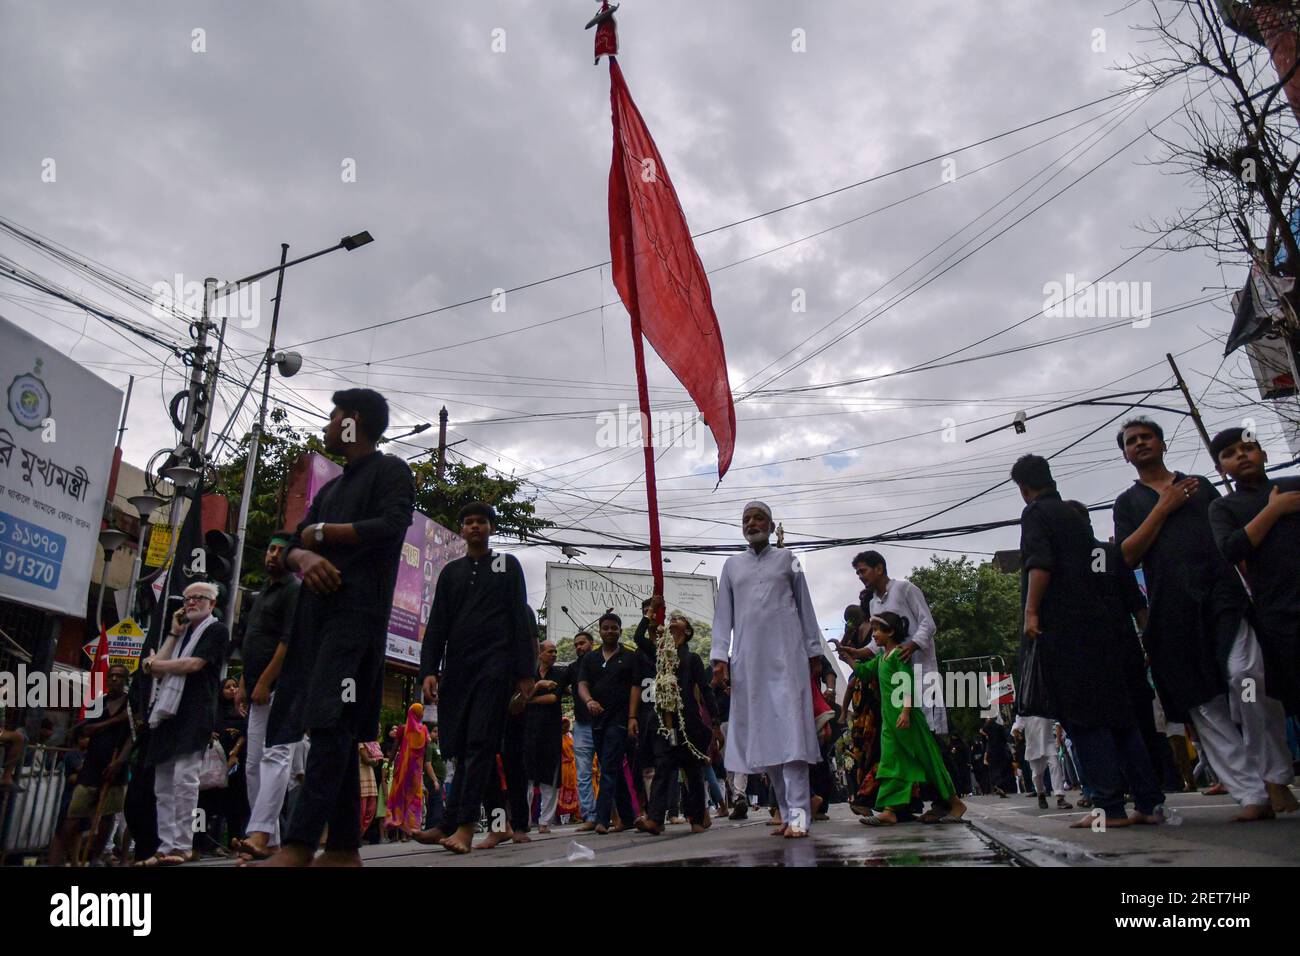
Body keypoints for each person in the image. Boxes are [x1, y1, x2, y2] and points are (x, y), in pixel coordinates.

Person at [260, 387, 416, 867]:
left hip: (357, 617)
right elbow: (285, 546)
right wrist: (304, 554)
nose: (327, 427)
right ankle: (345, 847)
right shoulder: (328, 491)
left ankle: (299, 844)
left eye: (333, 418)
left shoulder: (391, 471)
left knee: (332, 720)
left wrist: (323, 535)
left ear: (353, 422)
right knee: (336, 727)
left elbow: (393, 526)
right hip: (314, 622)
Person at [1112, 418, 1272, 821]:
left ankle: (1272, 772)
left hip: (1223, 596)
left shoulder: (1199, 485)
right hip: (1172, 611)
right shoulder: (1127, 503)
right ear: (1126, 455)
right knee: (1204, 703)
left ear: (1163, 444)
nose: (1141, 443)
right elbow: (1127, 556)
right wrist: (1163, 508)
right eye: (1132, 441)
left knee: (1245, 677)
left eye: (1147, 436)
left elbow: (1230, 534)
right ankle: (1251, 793)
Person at [1013, 453, 1164, 828]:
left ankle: (1108, 807)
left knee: (1084, 719)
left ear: (1023, 488)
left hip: (1067, 637)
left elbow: (1040, 563)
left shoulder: (1037, 514)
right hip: (1108, 640)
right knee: (1121, 719)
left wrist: (1031, 613)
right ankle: (1148, 802)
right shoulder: (1085, 532)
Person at [416, 501, 536, 854]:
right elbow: (436, 626)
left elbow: (519, 620)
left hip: (495, 668)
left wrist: (525, 674)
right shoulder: (451, 573)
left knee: (480, 744)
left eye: (481, 521)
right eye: (468, 522)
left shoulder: (506, 565)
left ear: (491, 528)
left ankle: (463, 826)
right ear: (461, 530)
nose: (474, 527)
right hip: (458, 671)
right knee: (459, 747)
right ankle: (491, 825)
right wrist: (428, 670)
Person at [711, 501, 822, 838]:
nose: (752, 523)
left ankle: (800, 815)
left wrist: (814, 651)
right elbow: (723, 616)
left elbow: (806, 607)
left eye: (759, 518)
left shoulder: (789, 561)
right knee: (765, 740)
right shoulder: (731, 566)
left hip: (788, 660)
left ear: (772, 527)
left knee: (792, 735)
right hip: (750, 663)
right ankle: (787, 814)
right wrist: (720, 657)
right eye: (746, 519)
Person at [1206, 428, 1299, 814]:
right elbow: (1231, 549)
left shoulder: (1293, 484)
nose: (1241, 456)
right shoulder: (1224, 508)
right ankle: (1273, 780)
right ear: (1221, 466)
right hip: (1277, 615)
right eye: (1230, 452)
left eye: (1248, 448)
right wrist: (1273, 511)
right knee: (1256, 688)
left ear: (1262, 453)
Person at [847, 612, 965, 826]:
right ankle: (889, 810)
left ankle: (955, 802)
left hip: (907, 719)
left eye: (877, 630)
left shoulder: (898, 655)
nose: (873, 634)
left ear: (890, 632)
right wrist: (847, 657)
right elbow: (863, 673)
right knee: (890, 763)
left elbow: (907, 683)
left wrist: (906, 711)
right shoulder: (880, 659)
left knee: (929, 760)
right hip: (890, 723)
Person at [141, 580, 230, 866]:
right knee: (163, 782)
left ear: (212, 604)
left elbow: (192, 665)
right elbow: (159, 671)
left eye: (199, 598)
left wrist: (155, 664)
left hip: (195, 712)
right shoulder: (181, 636)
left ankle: (182, 845)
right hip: (168, 712)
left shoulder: (216, 630)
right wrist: (172, 632)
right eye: (188, 599)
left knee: (184, 779)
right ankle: (165, 846)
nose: (191, 603)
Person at [231, 531, 301, 861]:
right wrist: (246, 682)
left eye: (280, 550)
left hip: (283, 686)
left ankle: (258, 833)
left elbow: (288, 643)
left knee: (276, 757)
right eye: (270, 548)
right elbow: (251, 640)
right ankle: (267, 837)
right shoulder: (261, 594)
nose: (272, 554)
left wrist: (265, 681)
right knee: (253, 764)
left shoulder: (294, 592)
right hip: (257, 688)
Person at [635, 612, 718, 835]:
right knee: (663, 767)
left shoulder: (692, 659)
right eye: (671, 617)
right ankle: (655, 819)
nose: (673, 619)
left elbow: (706, 690)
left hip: (687, 722)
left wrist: (716, 722)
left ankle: (698, 818)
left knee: (692, 771)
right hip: (663, 721)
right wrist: (648, 618)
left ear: (688, 630)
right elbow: (638, 639)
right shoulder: (660, 654)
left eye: (679, 618)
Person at [54, 664, 134, 865]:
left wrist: (119, 761)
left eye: (119, 676)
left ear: (126, 681)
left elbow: (132, 737)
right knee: (73, 813)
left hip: (116, 766)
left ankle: (96, 857)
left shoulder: (131, 705)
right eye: (111, 676)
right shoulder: (99, 703)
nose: (114, 679)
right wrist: (111, 722)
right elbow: (86, 730)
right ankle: (56, 860)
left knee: (107, 815)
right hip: (92, 765)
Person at [576, 611, 643, 834]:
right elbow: (582, 685)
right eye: (606, 628)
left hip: (620, 720)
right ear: (600, 631)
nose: (610, 631)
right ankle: (628, 817)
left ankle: (602, 819)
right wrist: (589, 701)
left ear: (620, 631)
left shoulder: (630, 656)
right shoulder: (590, 658)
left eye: (614, 628)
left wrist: (633, 717)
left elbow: (636, 688)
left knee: (608, 766)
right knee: (609, 766)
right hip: (597, 721)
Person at [197, 677, 248, 855]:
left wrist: (235, 749)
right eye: (227, 687)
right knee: (203, 805)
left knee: (234, 805)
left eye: (235, 686)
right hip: (212, 765)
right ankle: (198, 843)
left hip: (234, 764)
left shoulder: (242, 711)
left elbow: (247, 732)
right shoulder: (213, 711)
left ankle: (234, 842)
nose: (232, 690)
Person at [524, 641, 567, 834]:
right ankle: (523, 821)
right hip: (528, 732)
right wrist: (539, 685)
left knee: (550, 778)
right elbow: (520, 697)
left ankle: (544, 822)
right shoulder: (528, 673)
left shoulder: (559, 674)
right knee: (527, 778)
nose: (555, 654)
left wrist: (529, 700)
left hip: (550, 733)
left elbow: (553, 698)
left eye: (556, 651)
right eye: (551, 651)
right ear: (540, 654)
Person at [569, 631, 598, 830]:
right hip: (581, 725)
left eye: (583, 643)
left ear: (592, 643)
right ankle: (589, 815)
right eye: (576, 644)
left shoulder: (601, 663)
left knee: (609, 771)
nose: (579, 647)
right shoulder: (571, 668)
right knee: (583, 774)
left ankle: (610, 813)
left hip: (603, 723)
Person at [385, 702, 429, 839]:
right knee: (414, 798)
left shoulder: (403, 728)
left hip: (402, 770)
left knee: (401, 798)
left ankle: (402, 833)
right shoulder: (424, 730)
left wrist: (388, 766)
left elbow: (395, 749)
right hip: (416, 772)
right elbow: (425, 752)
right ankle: (412, 831)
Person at [1011, 715, 1071, 810]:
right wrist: (1016, 731)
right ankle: (1040, 793)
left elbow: (1055, 719)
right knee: (1037, 773)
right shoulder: (1025, 708)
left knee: (1055, 766)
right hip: (1033, 744)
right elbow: (1018, 724)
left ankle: (1060, 797)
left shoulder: (1045, 703)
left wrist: (1059, 736)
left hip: (1048, 742)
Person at [558, 718, 580, 823]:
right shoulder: (557, 738)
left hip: (572, 767)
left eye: (567, 725)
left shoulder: (570, 736)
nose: (567, 728)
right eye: (564, 725)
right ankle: (557, 817)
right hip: (562, 768)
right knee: (560, 792)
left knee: (574, 792)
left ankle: (573, 816)